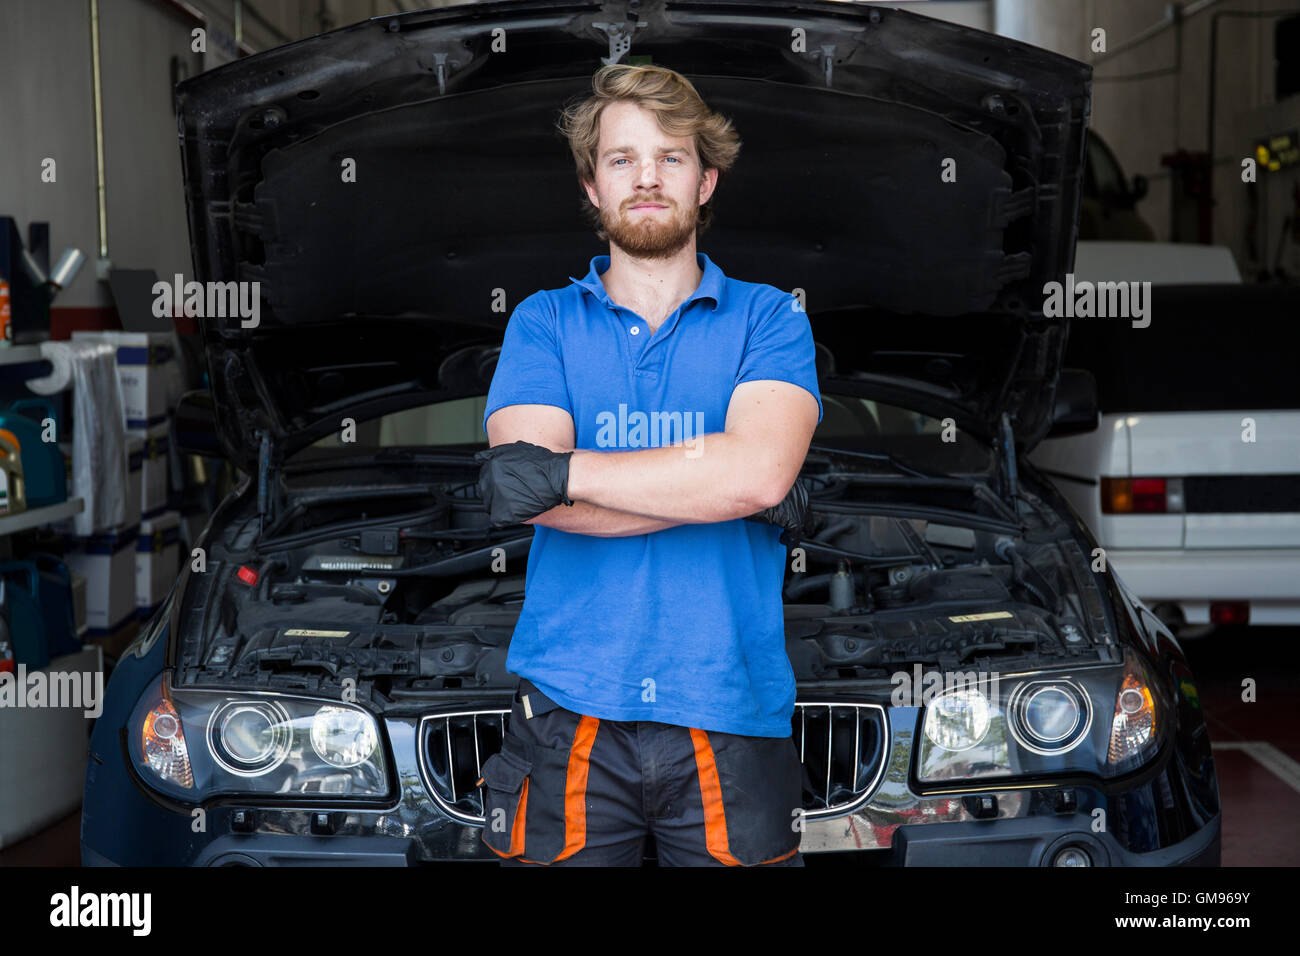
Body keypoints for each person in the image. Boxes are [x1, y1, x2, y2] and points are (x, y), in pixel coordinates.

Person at [474, 63, 822, 866]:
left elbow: (762, 477)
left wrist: (570, 473)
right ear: (592, 188)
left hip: (730, 712)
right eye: (622, 159)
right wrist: (720, 484)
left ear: (706, 181)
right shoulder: (542, 322)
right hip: (568, 712)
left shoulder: (770, 317)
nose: (647, 178)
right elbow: (527, 489)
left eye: (671, 157)